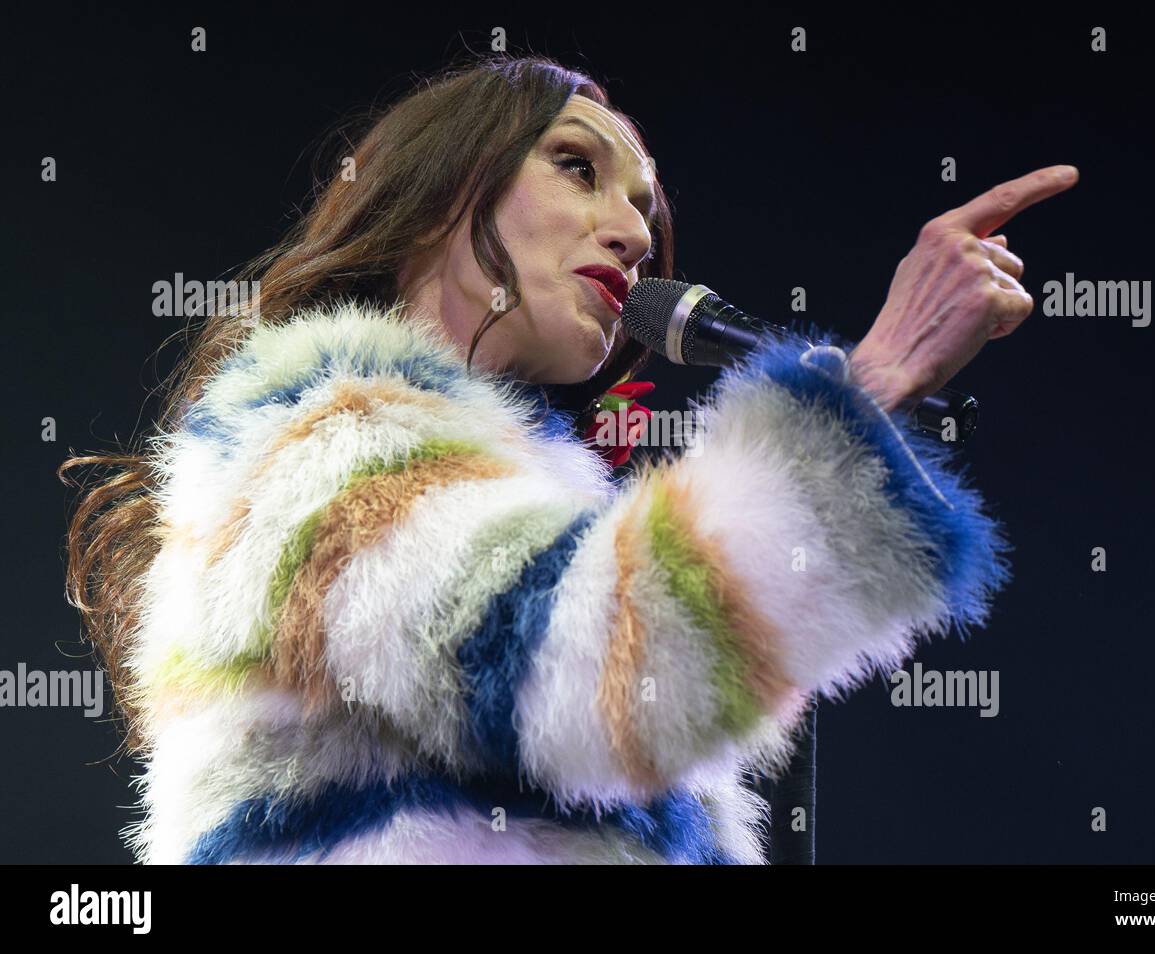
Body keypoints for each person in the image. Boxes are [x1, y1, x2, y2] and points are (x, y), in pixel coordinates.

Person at [60, 54, 1077, 864]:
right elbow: (594, 671)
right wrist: (879, 376)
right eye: (578, 168)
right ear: (436, 194)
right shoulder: (325, 430)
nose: (634, 232)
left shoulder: (496, 482)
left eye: (645, 205)